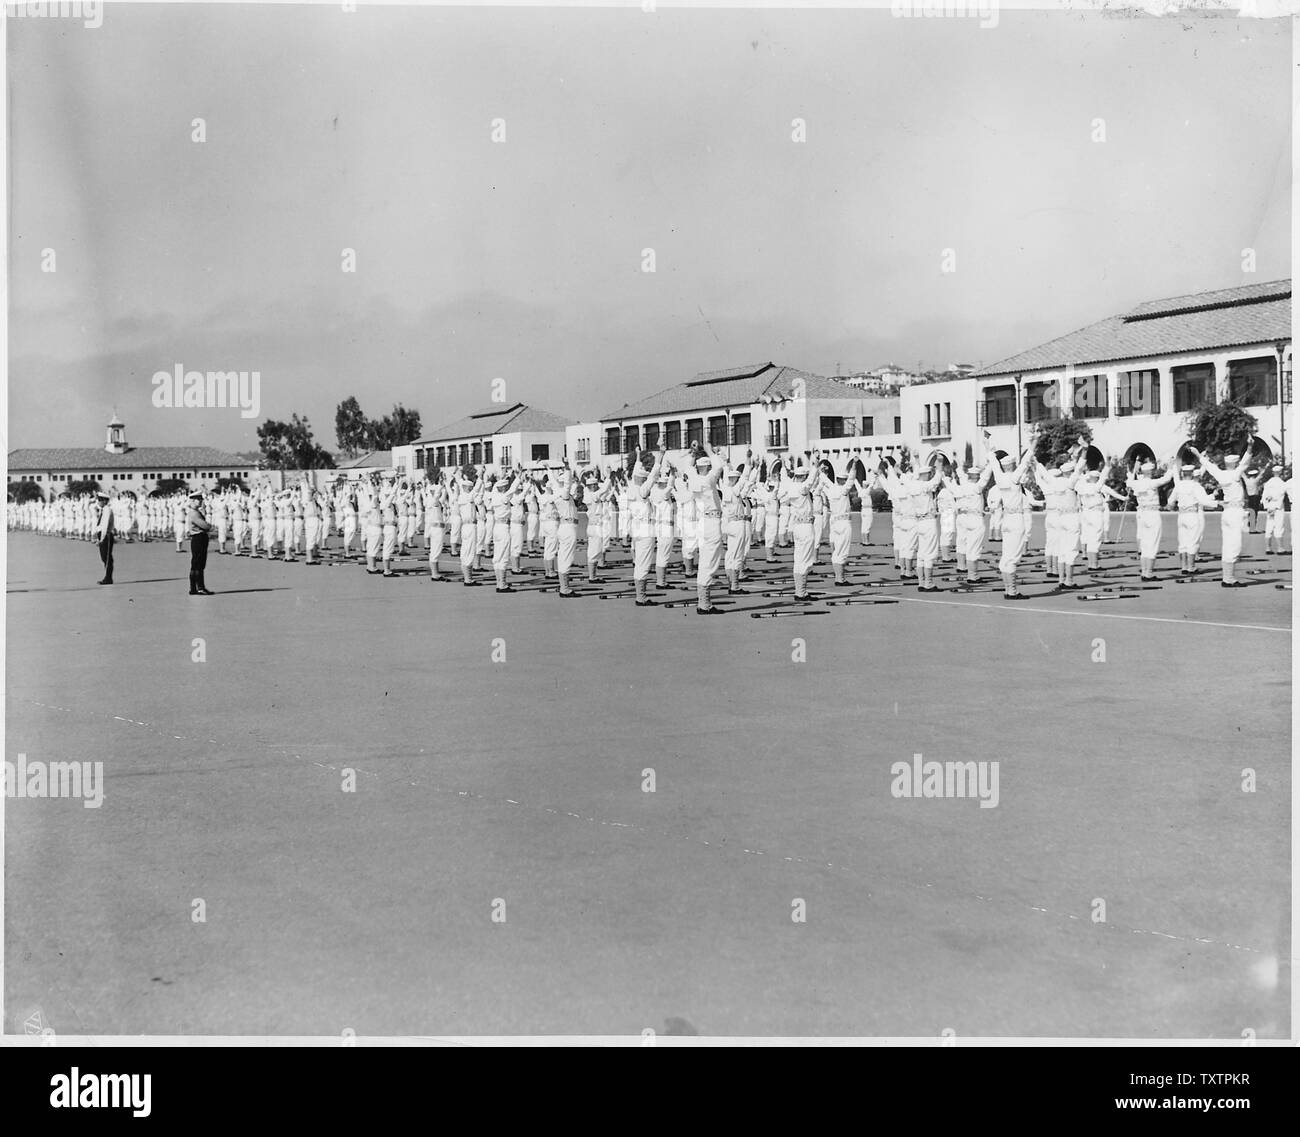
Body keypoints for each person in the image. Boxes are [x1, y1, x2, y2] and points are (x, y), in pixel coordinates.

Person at [1187, 441, 1250, 586]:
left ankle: (1226, 577)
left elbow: (1209, 466)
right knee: (1234, 545)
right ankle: (1229, 578)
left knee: (1227, 544)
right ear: (1234, 464)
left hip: (1227, 512)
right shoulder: (1235, 474)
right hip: (1235, 512)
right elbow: (1245, 463)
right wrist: (1250, 447)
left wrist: (1197, 454)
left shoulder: (1221, 474)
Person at [1169, 461, 1219, 575]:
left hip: (1181, 515)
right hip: (1192, 514)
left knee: (1183, 541)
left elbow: (1170, 501)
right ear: (1191, 474)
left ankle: (1183, 567)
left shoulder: (1178, 486)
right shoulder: (1196, 486)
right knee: (1193, 541)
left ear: (1182, 474)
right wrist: (1217, 503)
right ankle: (1191, 567)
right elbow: (1204, 501)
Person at [187, 490, 214, 595]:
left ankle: (194, 588)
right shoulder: (194, 513)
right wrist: (211, 527)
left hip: (198, 538)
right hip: (198, 538)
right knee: (198, 564)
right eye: (198, 500)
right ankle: (200, 588)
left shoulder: (196, 512)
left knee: (196, 564)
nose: (200, 501)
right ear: (193, 501)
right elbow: (204, 525)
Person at [1260, 464, 1287, 554]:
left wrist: (1267, 506)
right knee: (1279, 526)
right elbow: (1281, 496)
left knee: (1269, 526)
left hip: (1270, 506)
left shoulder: (1268, 483)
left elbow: (1264, 496)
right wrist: (1276, 507)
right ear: (1280, 473)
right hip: (1277, 507)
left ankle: (1268, 548)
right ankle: (1280, 548)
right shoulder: (1282, 483)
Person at [95, 490, 115, 585]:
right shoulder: (103, 510)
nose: (98, 502)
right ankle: (107, 577)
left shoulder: (107, 510)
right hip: (102, 535)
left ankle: (108, 578)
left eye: (99, 500)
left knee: (107, 558)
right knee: (104, 558)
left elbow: (105, 525)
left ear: (104, 501)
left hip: (106, 535)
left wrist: (102, 539)